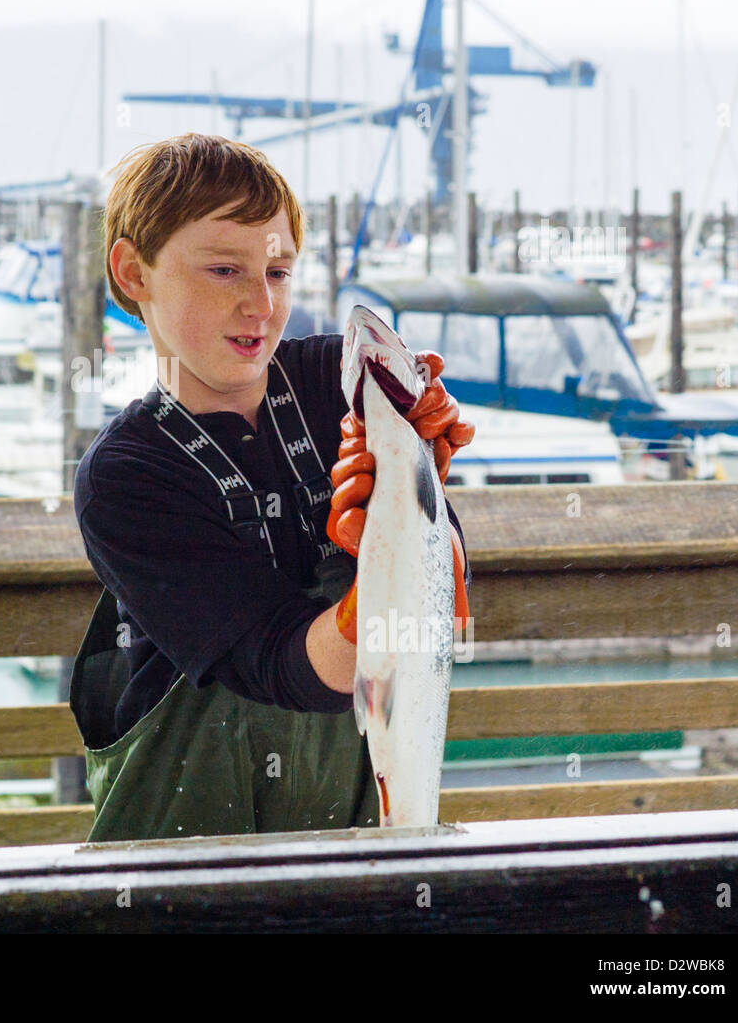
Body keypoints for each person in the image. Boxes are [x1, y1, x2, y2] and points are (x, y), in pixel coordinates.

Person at [69, 133, 474, 842]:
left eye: (279, 271)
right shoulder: (126, 476)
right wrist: (373, 596)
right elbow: (274, 661)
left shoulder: (339, 382)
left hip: (356, 834)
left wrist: (421, 497)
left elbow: (436, 614)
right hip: (181, 863)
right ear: (134, 272)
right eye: (225, 269)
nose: (261, 303)